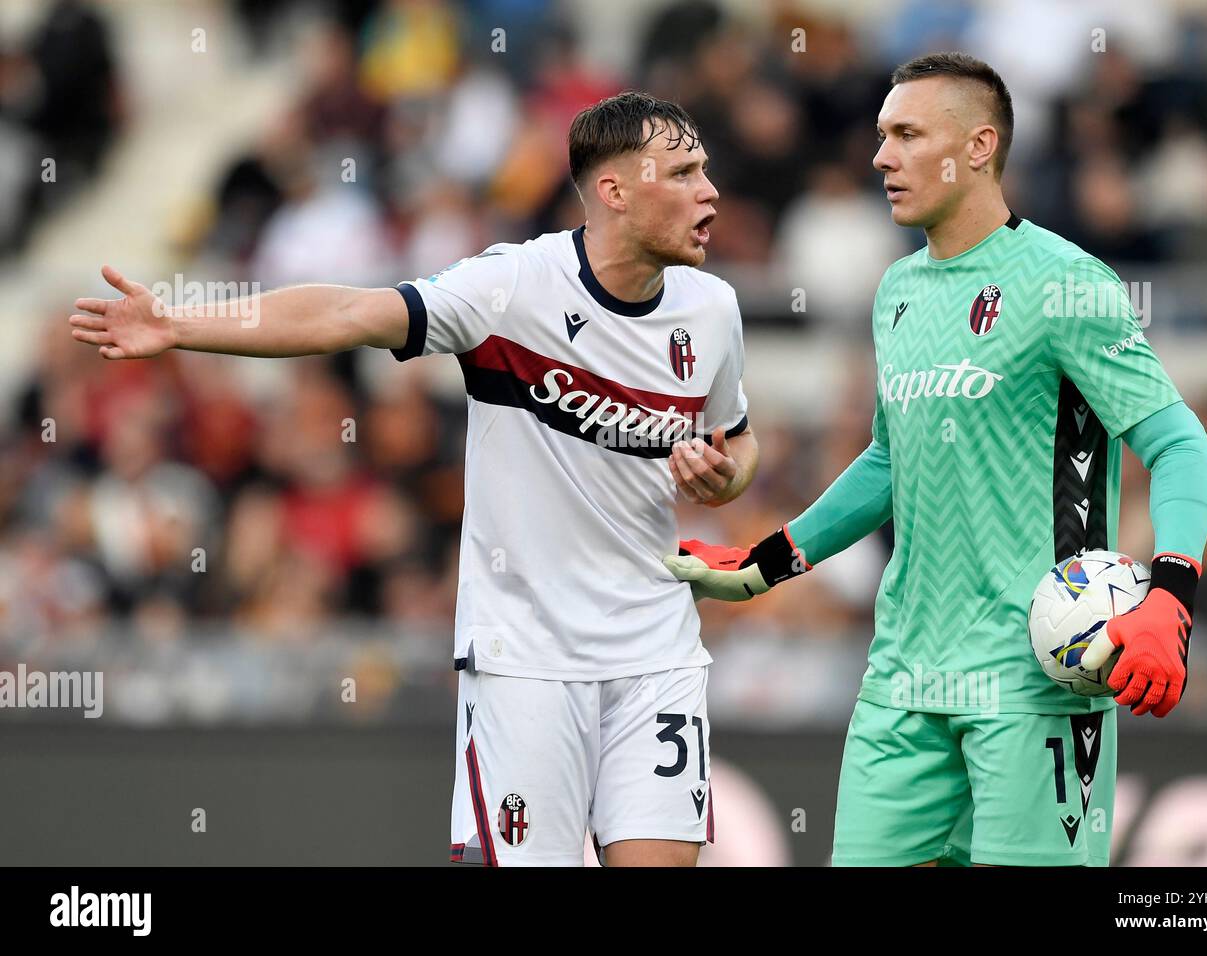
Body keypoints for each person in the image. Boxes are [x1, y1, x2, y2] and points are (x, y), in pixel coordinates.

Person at [69, 92, 757, 868]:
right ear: (615, 192)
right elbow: (346, 314)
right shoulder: (513, 287)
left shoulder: (713, 308)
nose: (711, 191)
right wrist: (181, 325)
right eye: (687, 171)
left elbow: (735, 440)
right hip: (525, 656)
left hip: (655, 652)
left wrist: (726, 476)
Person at [665, 53, 1207, 867]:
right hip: (903, 678)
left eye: (907, 135)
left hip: (1036, 679)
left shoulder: (1066, 283)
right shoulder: (897, 291)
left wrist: (1169, 598)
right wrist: (765, 563)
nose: (881, 156)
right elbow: (891, 460)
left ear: (979, 145)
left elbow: (1181, 447)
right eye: (882, 136)